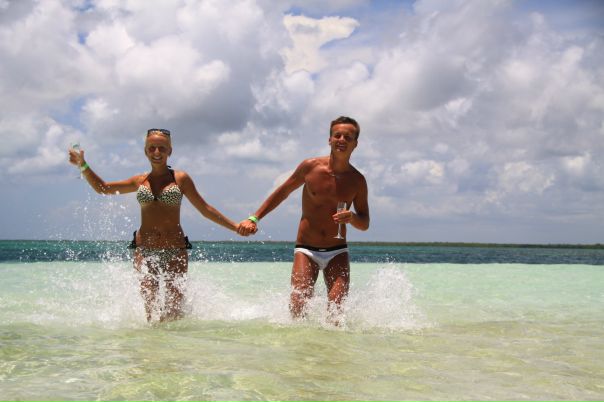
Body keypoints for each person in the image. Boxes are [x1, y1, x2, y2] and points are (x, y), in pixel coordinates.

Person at [69, 128, 245, 322]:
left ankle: (175, 342)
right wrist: (83, 165)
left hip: (175, 250)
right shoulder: (139, 181)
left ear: (170, 151)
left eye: (162, 148)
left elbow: (205, 209)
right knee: (151, 313)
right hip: (145, 251)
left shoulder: (181, 179)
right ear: (145, 151)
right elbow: (103, 188)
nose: (157, 152)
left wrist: (235, 227)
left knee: (173, 314)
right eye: (152, 148)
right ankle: (151, 343)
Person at [238, 116, 370, 321]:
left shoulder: (357, 181)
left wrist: (351, 217)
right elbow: (283, 192)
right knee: (298, 307)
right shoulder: (310, 167)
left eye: (348, 137)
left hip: (337, 251)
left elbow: (365, 223)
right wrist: (254, 218)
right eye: (337, 135)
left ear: (355, 144)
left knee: (336, 313)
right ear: (330, 140)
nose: (342, 140)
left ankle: (332, 343)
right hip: (306, 249)